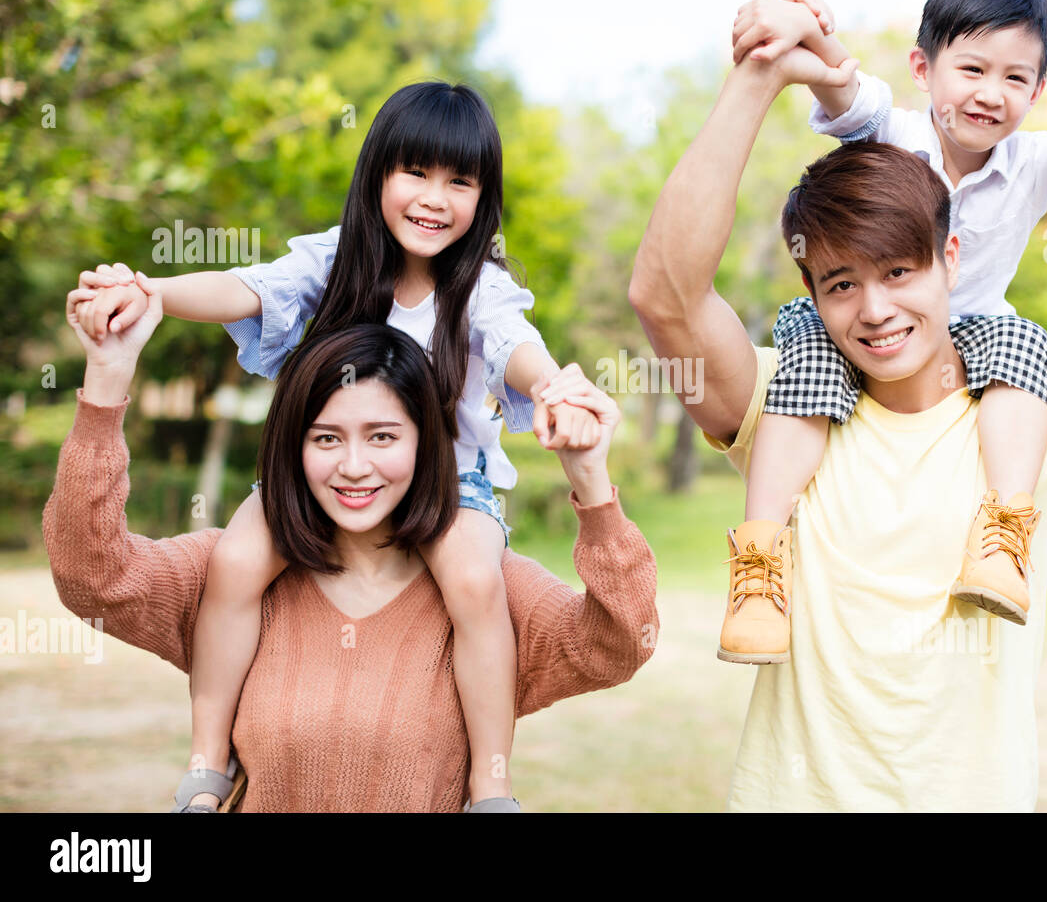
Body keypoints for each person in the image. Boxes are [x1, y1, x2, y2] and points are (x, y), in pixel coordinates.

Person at [628, 29, 1047, 809]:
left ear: (951, 260)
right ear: (811, 291)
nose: (876, 310)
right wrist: (757, 76)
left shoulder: (1037, 419)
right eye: (841, 285)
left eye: (899, 271)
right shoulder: (784, 401)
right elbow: (665, 295)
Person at [73, 81, 601, 810]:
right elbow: (244, 287)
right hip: (320, 477)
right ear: (377, 172)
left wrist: (552, 389)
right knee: (234, 560)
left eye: (460, 182)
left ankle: (489, 784)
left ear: (485, 200)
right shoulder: (333, 260)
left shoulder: (478, 289)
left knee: (477, 585)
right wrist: (153, 293)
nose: (434, 198)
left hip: (451, 487)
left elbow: (517, 346)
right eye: (415, 172)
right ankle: (206, 762)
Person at [710, 0, 1047, 664]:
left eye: (1015, 78)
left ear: (1036, 92)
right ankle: (760, 557)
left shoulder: (1033, 163)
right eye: (971, 68)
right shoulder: (889, 129)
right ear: (924, 68)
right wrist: (799, 21)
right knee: (804, 364)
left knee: (1024, 345)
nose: (989, 93)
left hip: (973, 331)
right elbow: (833, 77)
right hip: (862, 317)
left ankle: (1004, 532)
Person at [49, 271, 658, 812]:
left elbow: (619, 643)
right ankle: (204, 765)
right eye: (326, 439)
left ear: (429, 444)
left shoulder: (486, 587)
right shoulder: (234, 568)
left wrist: (591, 485)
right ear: (293, 445)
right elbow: (92, 578)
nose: (355, 467)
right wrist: (108, 377)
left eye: (384, 437)